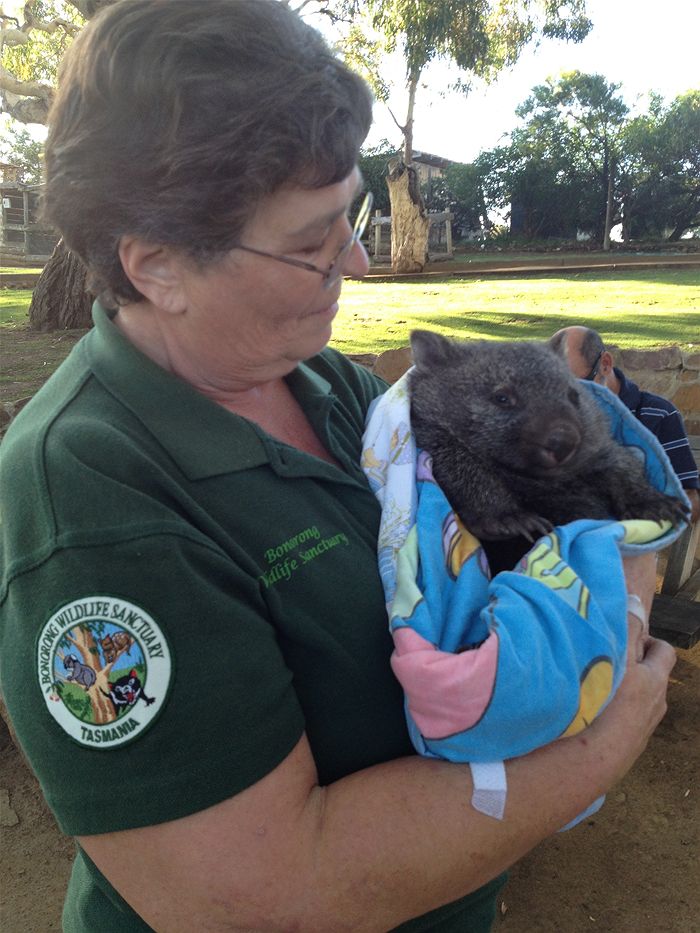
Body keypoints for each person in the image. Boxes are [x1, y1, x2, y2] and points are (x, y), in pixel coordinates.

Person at [0, 4, 675, 931]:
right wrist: (602, 741)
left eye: (349, 214)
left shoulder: (330, 387)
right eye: (313, 241)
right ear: (157, 266)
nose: (357, 257)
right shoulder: (91, 498)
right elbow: (261, 897)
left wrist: (627, 552)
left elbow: (542, 520)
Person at [549, 325, 700, 523]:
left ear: (605, 363)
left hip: (623, 540)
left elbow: (690, 500)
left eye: (578, 387)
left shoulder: (656, 415)